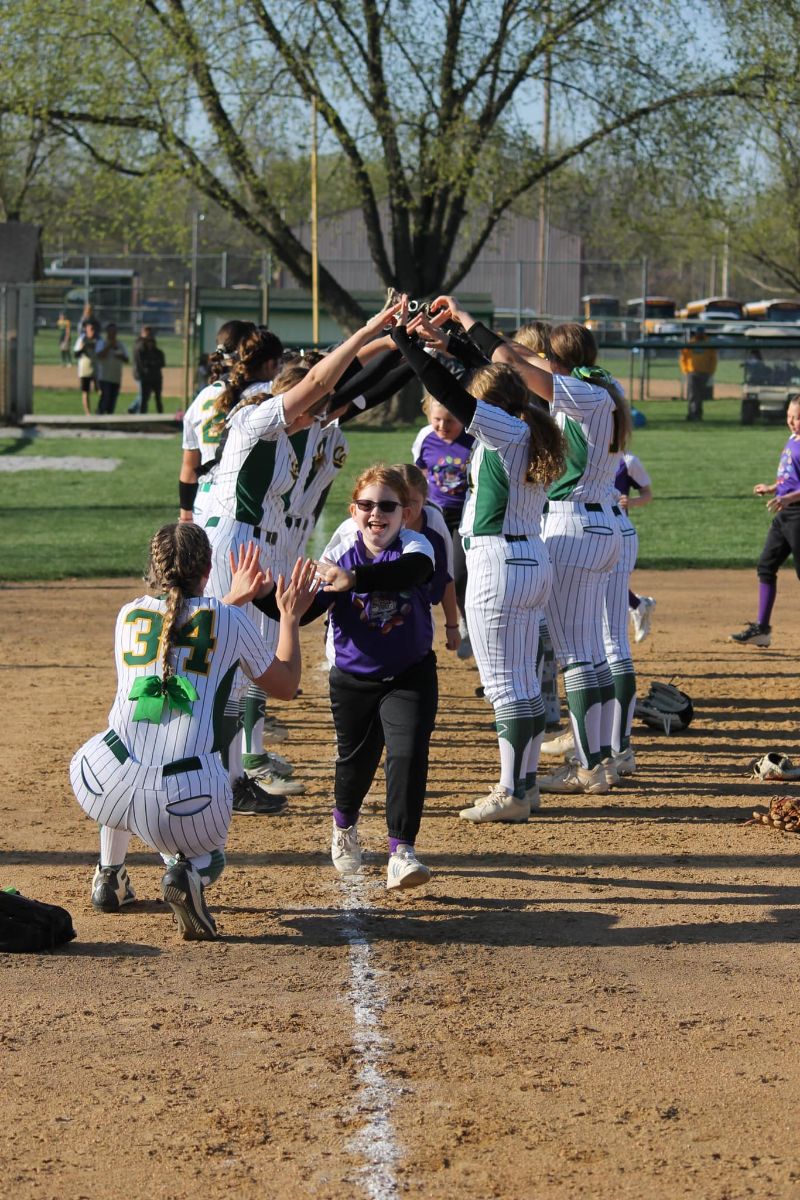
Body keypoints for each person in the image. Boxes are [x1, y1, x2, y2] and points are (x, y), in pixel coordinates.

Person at [69, 526, 318, 941]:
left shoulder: (128, 614)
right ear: (207, 569)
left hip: (100, 778)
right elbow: (286, 685)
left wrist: (231, 599)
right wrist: (289, 619)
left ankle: (110, 875)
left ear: (154, 569)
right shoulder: (231, 620)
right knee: (210, 856)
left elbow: (179, 632)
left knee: (129, 752)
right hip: (184, 798)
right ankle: (189, 873)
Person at [392, 299, 566, 822]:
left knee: (505, 687)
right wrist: (449, 345)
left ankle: (511, 792)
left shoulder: (506, 429)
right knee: (523, 684)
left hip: (499, 564)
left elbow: (450, 393)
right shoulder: (531, 423)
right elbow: (489, 381)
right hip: (529, 558)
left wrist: (406, 344)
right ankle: (525, 785)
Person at [445, 306, 630, 795]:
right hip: (604, 521)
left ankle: (590, 765)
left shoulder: (582, 392)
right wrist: (459, 343)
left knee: (577, 656)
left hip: (574, 524)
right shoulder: (605, 384)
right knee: (594, 652)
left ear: (558, 360)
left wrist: (464, 321)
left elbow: (512, 360)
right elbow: (519, 359)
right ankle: (603, 758)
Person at [259, 465, 438, 888]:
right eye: (366, 505)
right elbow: (304, 612)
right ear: (353, 510)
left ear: (405, 512)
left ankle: (402, 851)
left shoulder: (417, 546)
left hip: (409, 674)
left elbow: (411, 573)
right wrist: (264, 596)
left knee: (407, 753)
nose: (377, 514)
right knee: (356, 763)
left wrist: (354, 580)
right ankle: (343, 825)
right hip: (353, 678)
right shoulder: (341, 553)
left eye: (388, 506)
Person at [730, 396, 800, 647]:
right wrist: (772, 488)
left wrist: (788, 498)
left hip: (798, 514)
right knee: (766, 567)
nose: (791, 421)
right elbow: (790, 478)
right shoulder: (793, 439)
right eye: (789, 416)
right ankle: (762, 629)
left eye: (797, 418)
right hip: (784, 512)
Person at [178, 320, 262, 524]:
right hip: (240, 500)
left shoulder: (202, 398)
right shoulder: (261, 393)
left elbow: (189, 468)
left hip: (203, 500)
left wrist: (185, 516)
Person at [411, 395, 474, 657]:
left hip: (464, 516)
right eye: (436, 419)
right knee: (422, 571)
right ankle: (414, 625)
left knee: (458, 573)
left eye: (450, 421)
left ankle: (467, 622)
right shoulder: (425, 437)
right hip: (433, 515)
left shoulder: (473, 438)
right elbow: (419, 473)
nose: (442, 426)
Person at [616, 453, 656, 643]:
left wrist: (631, 502)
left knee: (611, 582)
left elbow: (647, 494)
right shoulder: (584, 455)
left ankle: (638, 605)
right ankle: (639, 605)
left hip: (619, 529)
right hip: (588, 525)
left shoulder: (628, 461)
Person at [679, 328, 717, 422]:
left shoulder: (708, 345)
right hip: (692, 372)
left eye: (701, 333)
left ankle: (697, 414)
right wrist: (686, 370)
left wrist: (710, 371)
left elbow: (713, 359)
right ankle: (692, 414)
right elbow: (683, 358)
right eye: (698, 333)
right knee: (692, 394)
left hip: (704, 372)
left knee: (699, 395)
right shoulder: (690, 344)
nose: (699, 335)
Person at [95, 323, 129, 415]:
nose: (113, 333)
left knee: (112, 401)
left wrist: (120, 354)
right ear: (107, 332)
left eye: (114, 331)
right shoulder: (101, 343)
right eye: (111, 331)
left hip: (116, 377)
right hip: (104, 376)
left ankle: (109, 417)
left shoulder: (120, 344)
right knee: (105, 398)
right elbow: (99, 355)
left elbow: (126, 359)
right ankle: (99, 415)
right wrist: (109, 346)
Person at [131, 326, 166, 414]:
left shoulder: (157, 352)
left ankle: (133, 409)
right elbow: (140, 363)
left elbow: (161, 363)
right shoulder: (139, 346)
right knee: (143, 397)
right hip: (144, 376)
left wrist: (152, 364)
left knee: (153, 397)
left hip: (155, 377)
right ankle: (136, 411)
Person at [73, 320, 100, 415]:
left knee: (99, 389)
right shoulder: (81, 339)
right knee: (85, 391)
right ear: (86, 329)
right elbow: (76, 354)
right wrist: (82, 349)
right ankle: (88, 413)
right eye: (90, 329)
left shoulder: (98, 339)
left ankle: (100, 408)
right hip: (84, 369)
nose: (92, 331)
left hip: (96, 368)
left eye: (93, 329)